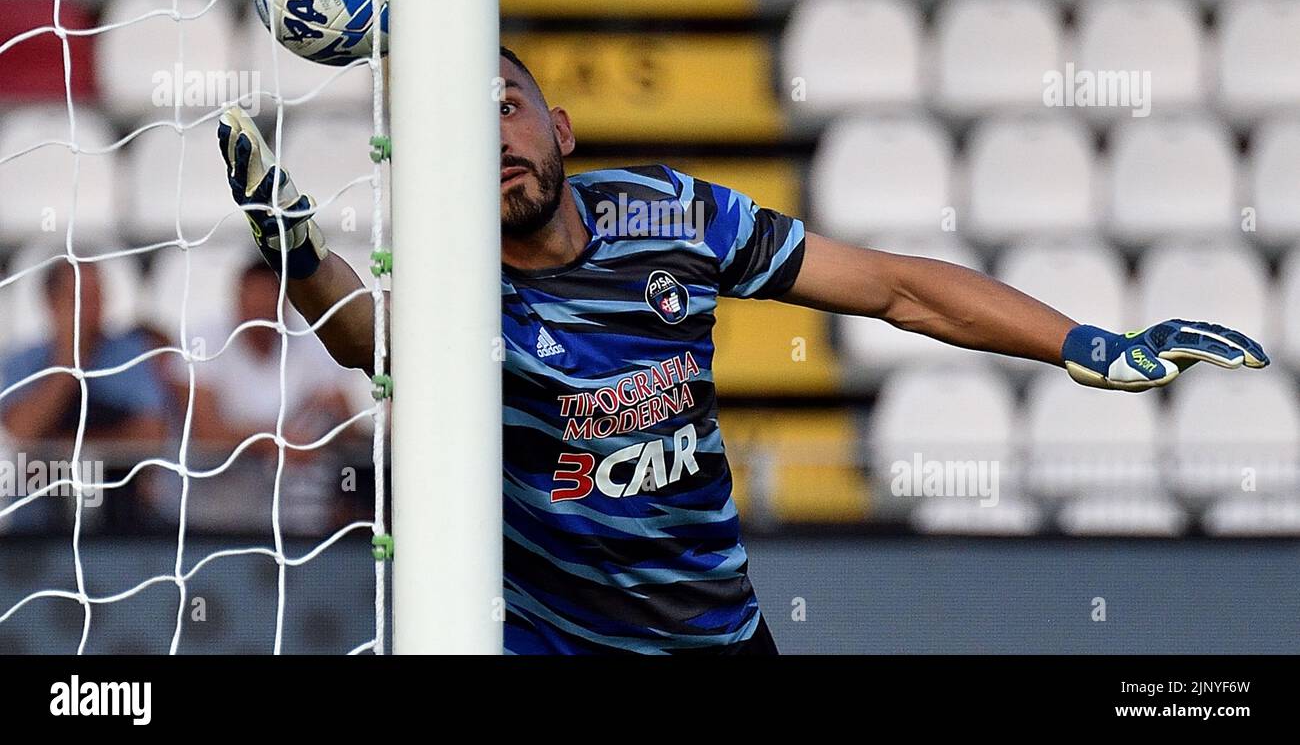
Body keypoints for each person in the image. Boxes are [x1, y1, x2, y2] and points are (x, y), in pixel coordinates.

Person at [214, 46, 1269, 654]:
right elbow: (365, 334)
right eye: (466, 122)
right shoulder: (453, 284)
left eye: (508, 104)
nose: (494, 137)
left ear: (560, 126)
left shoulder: (673, 215)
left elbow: (897, 288)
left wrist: (1088, 341)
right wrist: (295, 245)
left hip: (720, 638)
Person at [167, 259, 354, 535]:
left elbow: (348, 425)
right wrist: (275, 442)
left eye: (269, 296)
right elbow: (205, 433)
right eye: (252, 295)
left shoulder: (310, 343)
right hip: (206, 518)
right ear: (236, 297)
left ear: (286, 302)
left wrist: (324, 418)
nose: (259, 306)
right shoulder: (202, 340)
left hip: (293, 520)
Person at [1, 260, 170, 530]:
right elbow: (21, 433)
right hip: (36, 533)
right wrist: (67, 363)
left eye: (97, 297)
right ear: (51, 302)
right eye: (80, 297)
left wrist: (60, 448)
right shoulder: (22, 361)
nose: (92, 308)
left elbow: (151, 435)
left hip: (121, 525)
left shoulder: (133, 356)